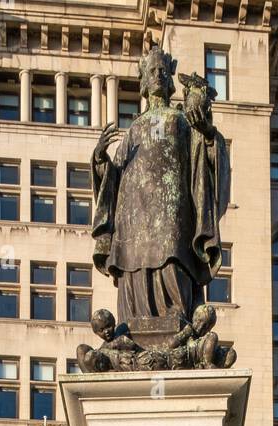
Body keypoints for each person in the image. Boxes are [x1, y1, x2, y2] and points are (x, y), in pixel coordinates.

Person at [91, 45, 230, 326]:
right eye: (152, 71)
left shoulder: (181, 121)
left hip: (172, 213)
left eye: (162, 71)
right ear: (143, 81)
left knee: (171, 257)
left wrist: (207, 133)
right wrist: (99, 160)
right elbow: (114, 179)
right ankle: (135, 324)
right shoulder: (133, 130)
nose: (157, 75)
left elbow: (208, 157)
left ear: (170, 80)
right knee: (135, 265)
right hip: (133, 218)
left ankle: (175, 320)